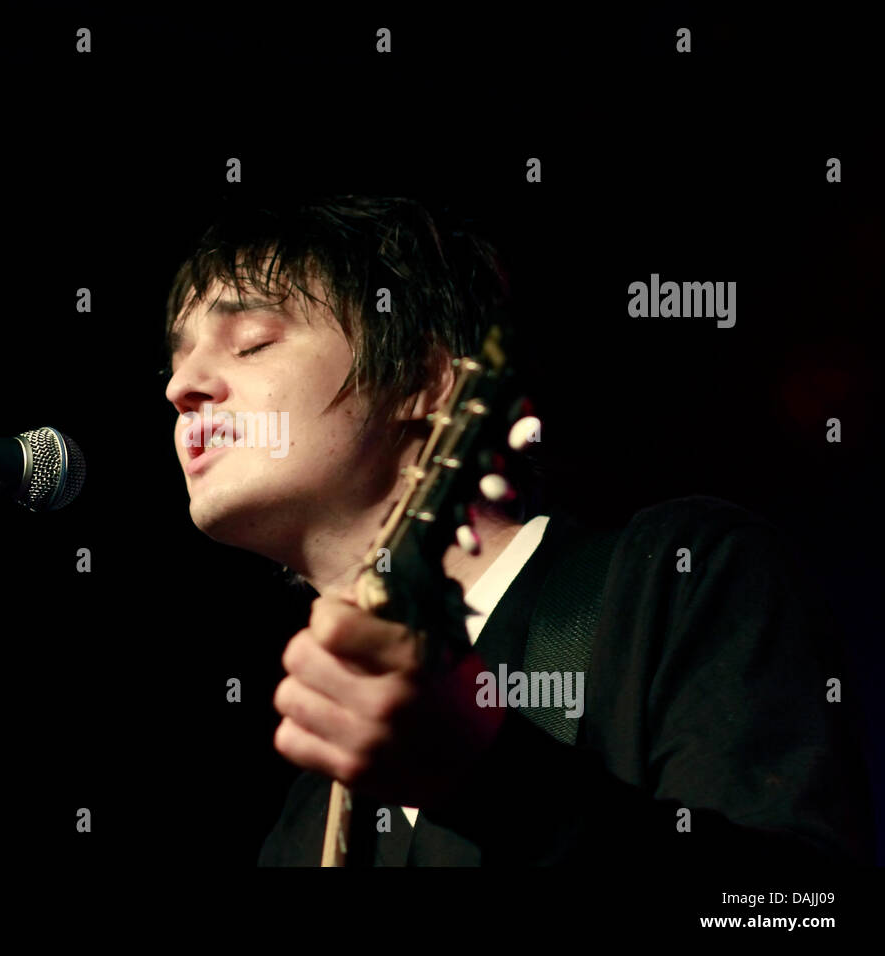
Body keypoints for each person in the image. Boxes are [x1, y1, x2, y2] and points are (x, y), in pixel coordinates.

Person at [160, 195, 873, 866]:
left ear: (427, 378)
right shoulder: (310, 820)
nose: (181, 386)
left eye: (250, 341)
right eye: (177, 358)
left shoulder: (678, 579)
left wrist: (490, 774)